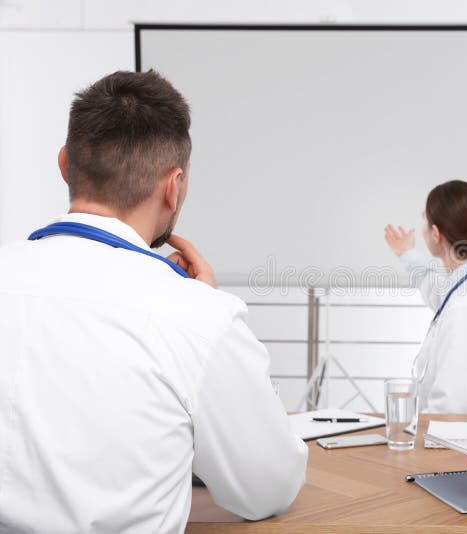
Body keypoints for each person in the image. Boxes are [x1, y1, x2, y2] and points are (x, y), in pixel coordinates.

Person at [0, 70, 307, 533]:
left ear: (64, 164)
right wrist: (208, 327)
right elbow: (268, 488)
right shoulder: (197, 317)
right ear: (174, 186)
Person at [384, 180, 467, 413]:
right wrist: (406, 254)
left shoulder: (464, 311)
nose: (423, 229)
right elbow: (435, 290)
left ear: (435, 234)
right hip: (453, 436)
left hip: (454, 441)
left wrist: (404, 430)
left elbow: (448, 408)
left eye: (425, 221)